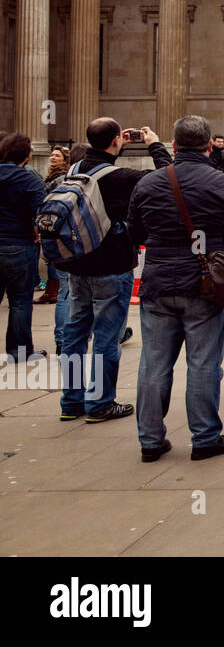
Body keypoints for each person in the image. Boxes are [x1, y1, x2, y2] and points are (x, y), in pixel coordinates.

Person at [128, 115, 224, 461]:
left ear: (173, 145)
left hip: (158, 281)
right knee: (203, 362)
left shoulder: (148, 184)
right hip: (205, 283)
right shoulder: (221, 182)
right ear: (208, 146)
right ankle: (204, 437)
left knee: (153, 364)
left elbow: (135, 234)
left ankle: (150, 440)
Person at [58, 119, 171, 422]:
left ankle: (71, 402)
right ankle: (100, 403)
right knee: (106, 337)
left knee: (74, 333)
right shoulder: (120, 176)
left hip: (76, 263)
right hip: (110, 265)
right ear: (118, 141)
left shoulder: (74, 170)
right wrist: (154, 144)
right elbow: (166, 177)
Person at [1, 133, 47, 363]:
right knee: (20, 301)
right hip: (18, 245)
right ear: (27, 154)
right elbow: (44, 212)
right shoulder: (29, 180)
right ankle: (19, 352)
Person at [36, 146, 70, 306]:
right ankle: (51, 289)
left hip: (53, 223)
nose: (53, 158)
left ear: (65, 159)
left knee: (53, 259)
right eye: (52, 155)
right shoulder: (52, 176)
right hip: (49, 222)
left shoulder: (61, 178)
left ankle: (52, 290)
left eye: (57, 155)